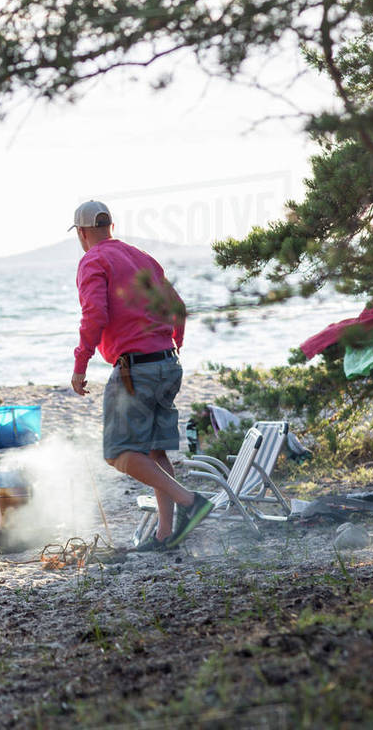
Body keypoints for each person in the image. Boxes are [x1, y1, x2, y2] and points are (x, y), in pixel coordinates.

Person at [67, 199, 211, 551]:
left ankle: (191, 502)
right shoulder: (142, 257)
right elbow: (178, 308)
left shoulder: (93, 260)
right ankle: (164, 535)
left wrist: (80, 363)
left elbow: (95, 316)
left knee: (119, 453)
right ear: (110, 226)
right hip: (166, 364)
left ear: (83, 233)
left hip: (136, 368)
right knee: (155, 451)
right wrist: (172, 345)